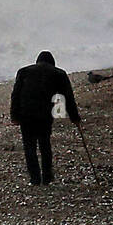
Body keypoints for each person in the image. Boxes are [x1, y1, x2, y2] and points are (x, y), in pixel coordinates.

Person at [9, 50, 80, 185]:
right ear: (52, 62)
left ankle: (35, 179)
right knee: (45, 145)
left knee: (29, 147)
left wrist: (14, 115)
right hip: (44, 114)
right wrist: (74, 117)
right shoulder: (59, 73)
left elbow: (15, 95)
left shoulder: (23, 71)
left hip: (26, 114)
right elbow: (67, 97)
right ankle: (47, 177)